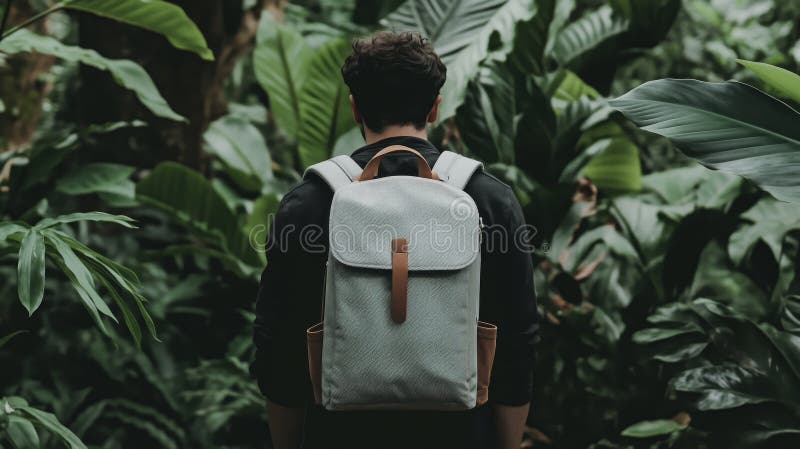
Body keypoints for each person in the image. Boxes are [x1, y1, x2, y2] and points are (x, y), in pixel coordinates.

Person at [252, 31, 539, 449]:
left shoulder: (309, 204)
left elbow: (276, 346)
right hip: (462, 434)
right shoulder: (489, 200)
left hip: (338, 435)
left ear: (354, 107)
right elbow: (518, 342)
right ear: (435, 107)